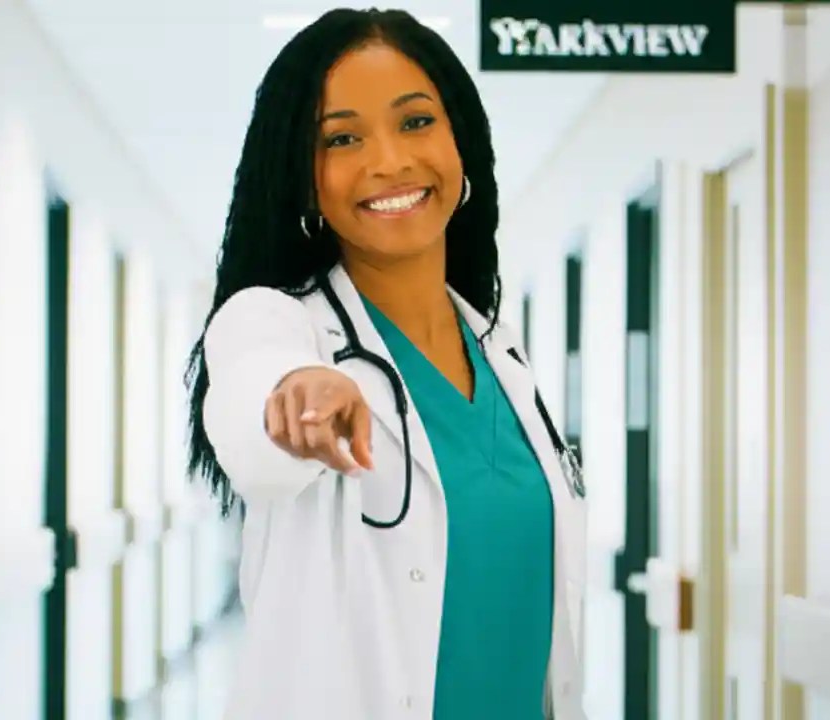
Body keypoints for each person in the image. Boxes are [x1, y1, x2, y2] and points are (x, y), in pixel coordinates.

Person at [185, 9, 587, 720]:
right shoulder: (276, 323)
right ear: (305, 180)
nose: (390, 161)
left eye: (415, 122)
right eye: (342, 138)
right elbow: (259, 424)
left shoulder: (503, 352)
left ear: (461, 140)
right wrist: (296, 395)